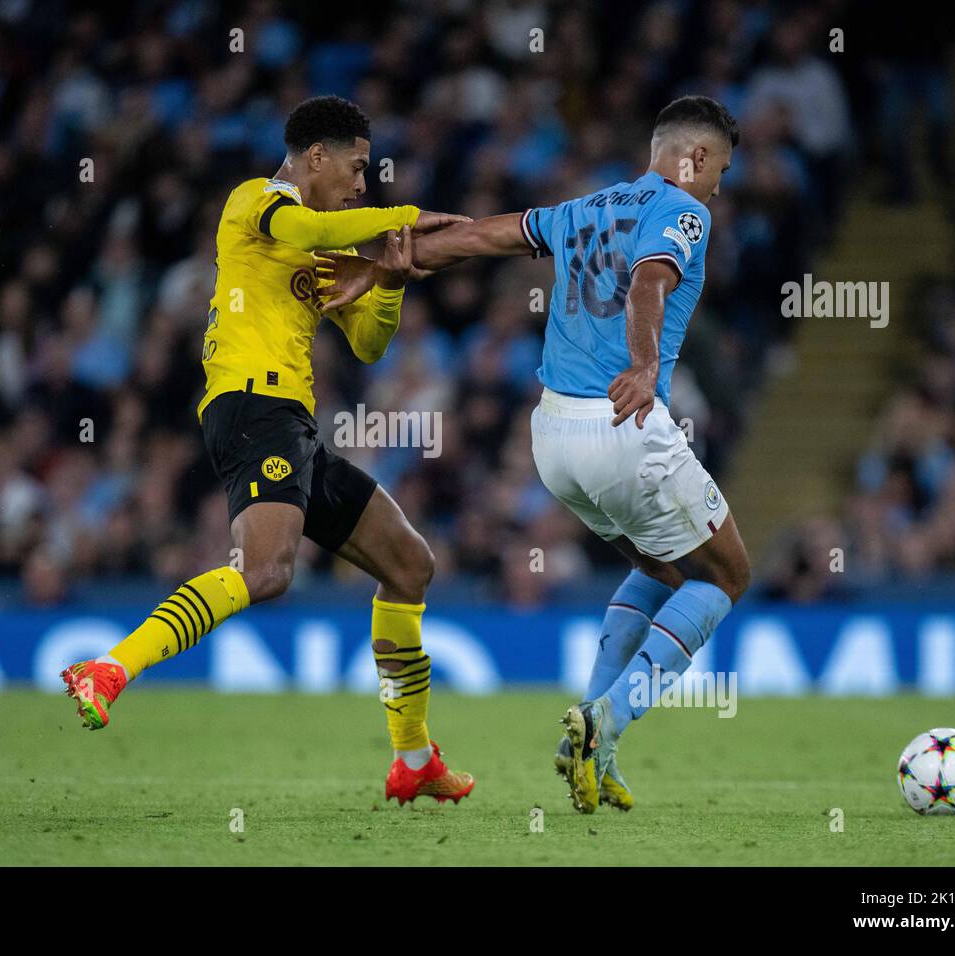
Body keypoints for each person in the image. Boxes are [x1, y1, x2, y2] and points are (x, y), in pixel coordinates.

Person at [319, 95, 752, 813]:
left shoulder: (583, 207)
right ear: (695, 158)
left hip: (552, 437)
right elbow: (650, 280)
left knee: (661, 566)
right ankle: (613, 714)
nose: (719, 187)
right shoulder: (686, 211)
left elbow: (484, 238)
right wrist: (644, 363)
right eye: (722, 170)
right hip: (624, 421)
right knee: (728, 576)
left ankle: (590, 736)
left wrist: (390, 260)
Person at [63, 95, 475, 806]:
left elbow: (371, 345)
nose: (362, 184)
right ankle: (107, 669)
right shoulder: (255, 202)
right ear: (315, 156)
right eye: (356, 167)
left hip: (293, 425)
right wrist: (404, 219)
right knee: (266, 571)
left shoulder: (328, 250)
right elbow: (314, 222)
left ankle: (414, 759)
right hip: (251, 407)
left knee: (410, 565)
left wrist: (388, 280)